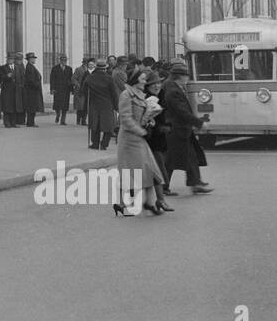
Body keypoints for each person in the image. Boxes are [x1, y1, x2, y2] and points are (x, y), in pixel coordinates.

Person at [115, 66, 172, 216]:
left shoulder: (139, 95)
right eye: (142, 79)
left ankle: (147, 202)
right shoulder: (126, 95)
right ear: (134, 81)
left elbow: (140, 117)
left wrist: (149, 122)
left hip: (138, 138)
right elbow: (125, 119)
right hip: (129, 140)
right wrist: (142, 130)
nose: (144, 81)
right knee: (134, 171)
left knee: (148, 169)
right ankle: (143, 202)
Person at [161, 62, 213, 194]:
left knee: (190, 156)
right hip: (176, 129)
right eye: (186, 76)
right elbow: (181, 111)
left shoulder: (171, 86)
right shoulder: (173, 91)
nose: (188, 78)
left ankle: (195, 182)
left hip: (179, 128)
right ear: (180, 77)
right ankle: (162, 186)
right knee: (170, 160)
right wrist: (199, 123)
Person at [84, 56, 119, 150]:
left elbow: (83, 91)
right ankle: (104, 144)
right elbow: (114, 94)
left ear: (96, 67)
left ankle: (95, 144)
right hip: (107, 105)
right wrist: (116, 106)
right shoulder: (109, 78)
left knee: (95, 125)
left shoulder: (90, 78)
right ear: (105, 68)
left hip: (94, 104)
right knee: (108, 126)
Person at [50, 54, 73, 125]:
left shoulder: (69, 69)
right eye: (62, 60)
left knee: (65, 105)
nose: (64, 61)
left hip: (66, 89)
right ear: (60, 60)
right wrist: (52, 89)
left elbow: (71, 79)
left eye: (65, 60)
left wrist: (72, 89)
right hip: (58, 89)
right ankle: (57, 114)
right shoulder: (55, 68)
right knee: (57, 104)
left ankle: (63, 120)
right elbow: (52, 79)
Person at [22, 52, 44, 127]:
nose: (34, 60)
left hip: (32, 91)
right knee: (31, 107)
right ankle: (30, 123)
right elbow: (31, 80)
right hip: (32, 91)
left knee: (32, 107)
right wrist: (37, 85)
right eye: (33, 58)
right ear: (30, 59)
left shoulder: (30, 66)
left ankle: (30, 122)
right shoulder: (30, 67)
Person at [72, 58, 90, 125]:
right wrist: (78, 85)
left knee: (85, 106)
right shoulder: (78, 69)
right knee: (80, 106)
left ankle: (84, 120)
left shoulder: (90, 70)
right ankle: (78, 120)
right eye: (85, 62)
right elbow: (73, 78)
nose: (86, 64)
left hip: (87, 90)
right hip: (79, 90)